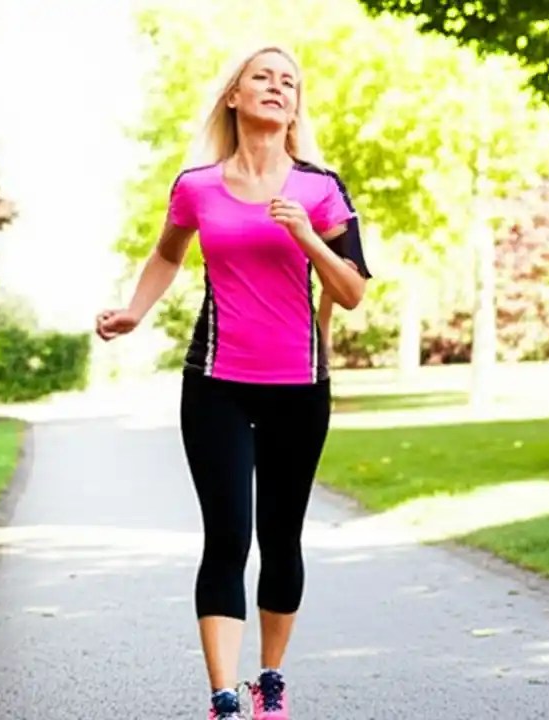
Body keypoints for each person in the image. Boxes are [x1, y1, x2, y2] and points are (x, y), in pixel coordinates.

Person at [94, 45, 370, 720]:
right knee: (227, 538)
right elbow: (167, 251)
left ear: (296, 105)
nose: (277, 88)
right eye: (262, 78)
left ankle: (269, 683)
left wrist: (306, 234)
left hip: (300, 386)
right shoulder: (197, 186)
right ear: (233, 97)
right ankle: (223, 698)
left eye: (289, 82)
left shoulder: (320, 187)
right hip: (215, 381)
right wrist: (135, 309)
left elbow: (354, 290)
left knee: (281, 538)